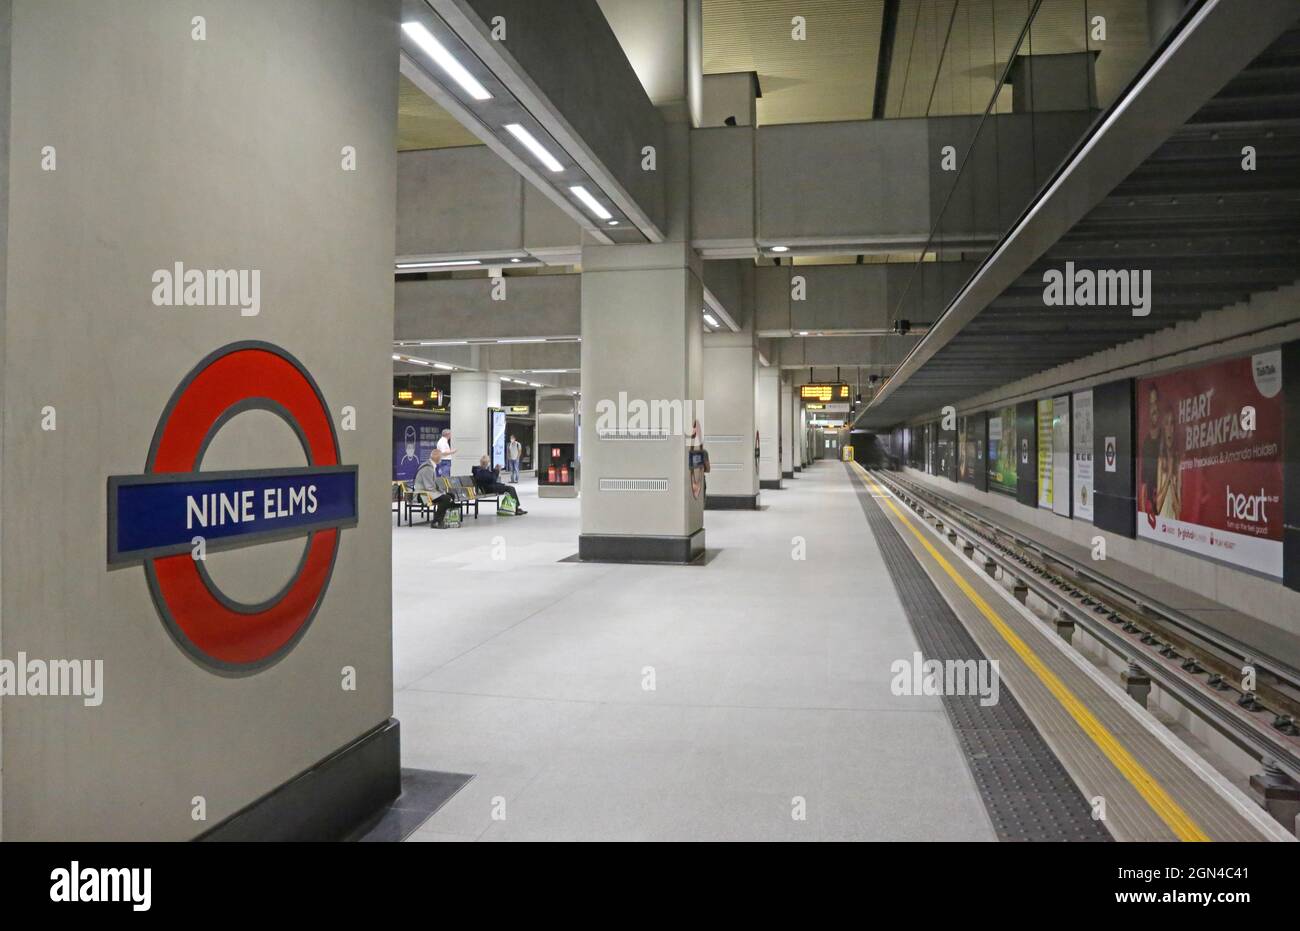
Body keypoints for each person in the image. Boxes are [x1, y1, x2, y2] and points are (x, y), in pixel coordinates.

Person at [413, 451, 451, 528]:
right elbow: (429, 487)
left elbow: (433, 485)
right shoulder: (427, 468)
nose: (441, 459)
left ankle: (439, 520)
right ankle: (437, 522)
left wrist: (441, 492)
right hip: (422, 495)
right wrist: (441, 493)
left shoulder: (431, 467)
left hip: (428, 493)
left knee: (449, 496)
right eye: (441, 457)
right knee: (445, 498)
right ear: (437, 457)